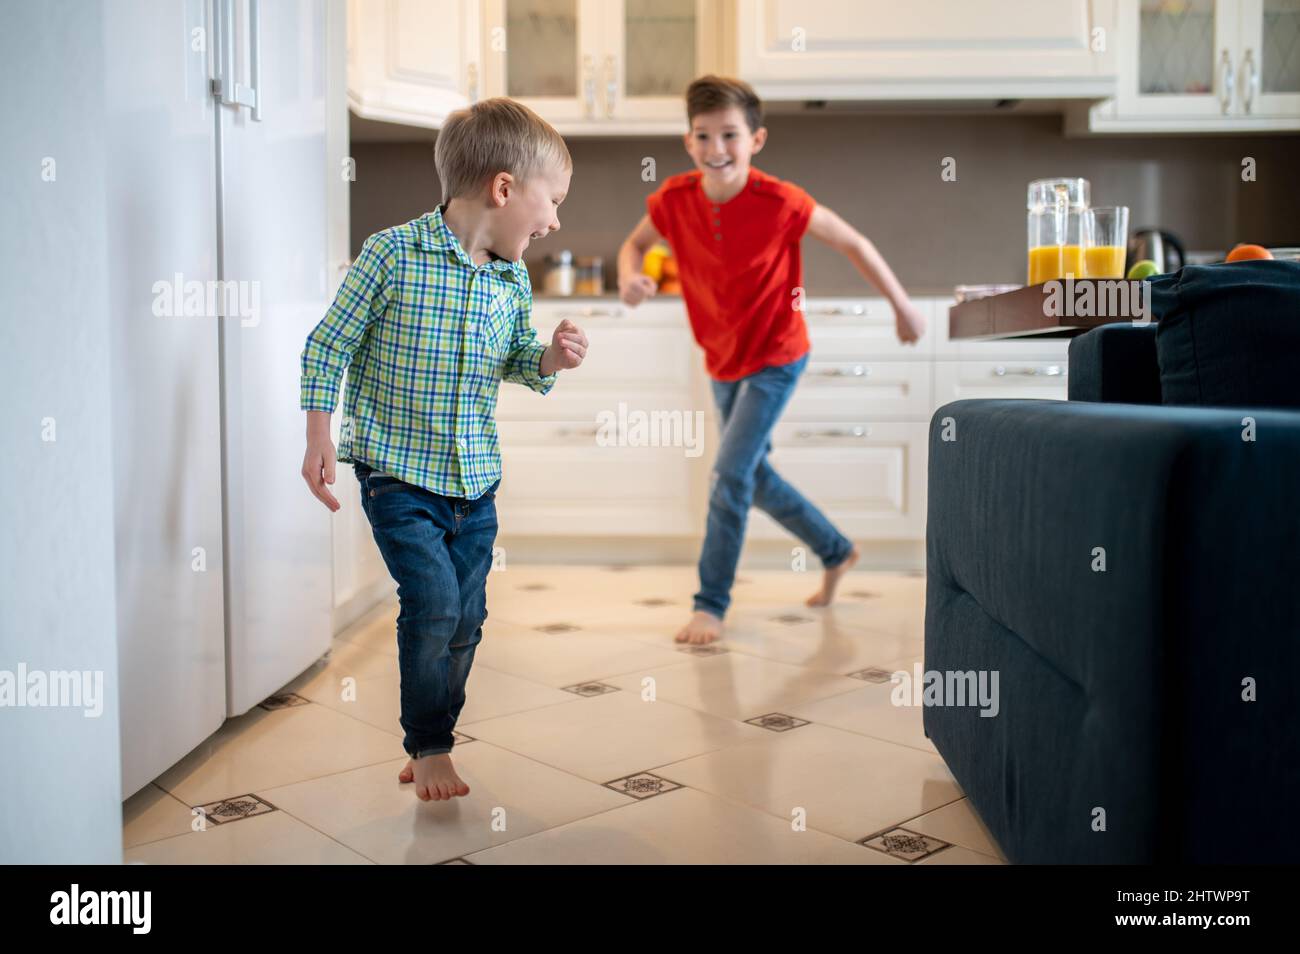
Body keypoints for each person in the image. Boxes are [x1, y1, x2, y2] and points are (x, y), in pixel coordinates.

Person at [299, 98, 586, 800]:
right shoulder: (391, 255)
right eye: (551, 202)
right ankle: (429, 746)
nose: (555, 222)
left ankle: (434, 730)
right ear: (503, 189)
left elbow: (518, 358)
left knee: (467, 617)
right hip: (398, 474)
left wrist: (550, 356)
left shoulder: (510, 279)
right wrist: (318, 436)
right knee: (431, 604)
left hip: (476, 483)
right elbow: (327, 343)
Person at [617, 75, 927, 646]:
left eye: (730, 135)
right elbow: (635, 245)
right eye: (704, 136)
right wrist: (629, 277)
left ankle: (710, 605)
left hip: (778, 355)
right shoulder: (674, 200)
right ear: (689, 142)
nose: (717, 149)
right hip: (722, 359)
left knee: (729, 475)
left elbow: (853, 242)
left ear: (755, 139)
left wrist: (902, 307)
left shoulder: (780, 200)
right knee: (752, 477)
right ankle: (837, 551)